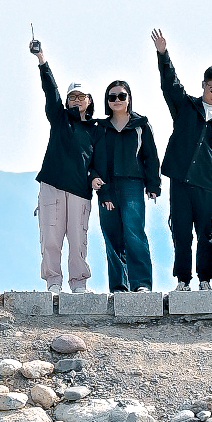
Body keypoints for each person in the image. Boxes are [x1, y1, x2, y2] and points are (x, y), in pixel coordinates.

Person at [152, 29, 212, 291]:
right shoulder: (186, 107)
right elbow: (170, 84)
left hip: (207, 184)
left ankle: (204, 279)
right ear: (204, 85)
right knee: (180, 231)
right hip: (180, 180)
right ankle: (182, 280)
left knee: (205, 233)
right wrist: (163, 54)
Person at [30, 43, 96, 293]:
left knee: (78, 240)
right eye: (72, 97)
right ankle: (53, 282)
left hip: (80, 190)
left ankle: (79, 283)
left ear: (89, 100)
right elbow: (51, 92)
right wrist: (42, 60)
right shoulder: (59, 119)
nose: (76, 100)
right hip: (52, 185)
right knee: (50, 237)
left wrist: (96, 177)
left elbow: (99, 162)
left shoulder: (96, 129)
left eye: (81, 96)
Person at [88, 79, 161, 290]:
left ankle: (142, 284)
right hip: (107, 187)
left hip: (133, 186)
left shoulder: (141, 125)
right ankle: (119, 287)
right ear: (107, 101)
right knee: (111, 236)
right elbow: (91, 159)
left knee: (134, 233)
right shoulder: (100, 128)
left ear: (129, 98)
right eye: (112, 97)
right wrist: (99, 184)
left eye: (122, 96)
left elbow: (151, 156)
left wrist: (153, 185)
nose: (117, 100)